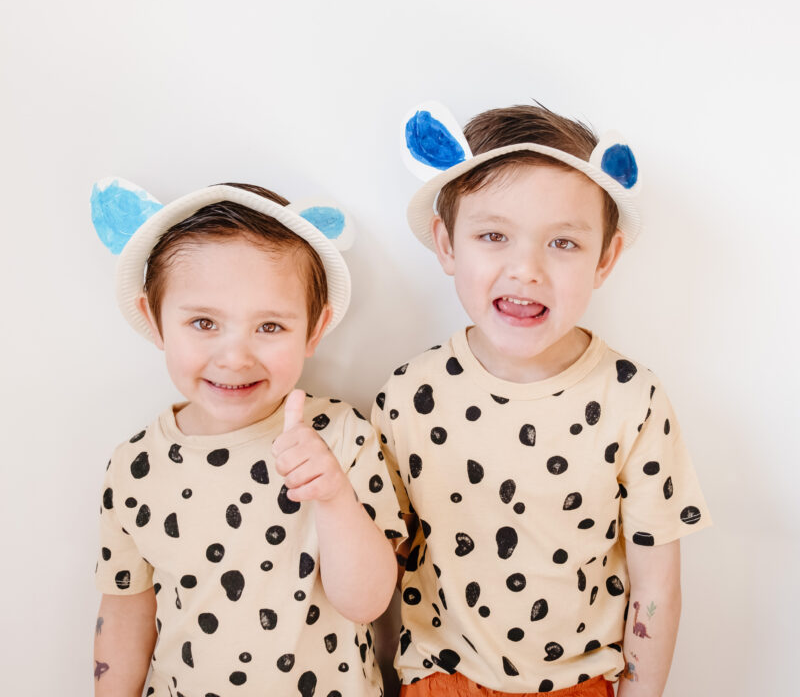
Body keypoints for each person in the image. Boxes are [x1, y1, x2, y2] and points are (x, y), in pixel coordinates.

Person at [372, 103, 711, 696]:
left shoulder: (632, 399)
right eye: (494, 235)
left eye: (563, 242)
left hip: (580, 683)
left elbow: (655, 588)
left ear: (605, 258)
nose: (525, 269)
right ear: (447, 245)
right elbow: (377, 573)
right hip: (443, 680)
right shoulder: (409, 396)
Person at [91, 181, 404, 697]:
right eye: (203, 322)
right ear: (154, 319)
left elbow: (368, 602)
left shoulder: (342, 438)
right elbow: (125, 612)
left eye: (270, 327)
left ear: (314, 329)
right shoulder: (135, 466)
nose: (235, 357)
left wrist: (332, 496)